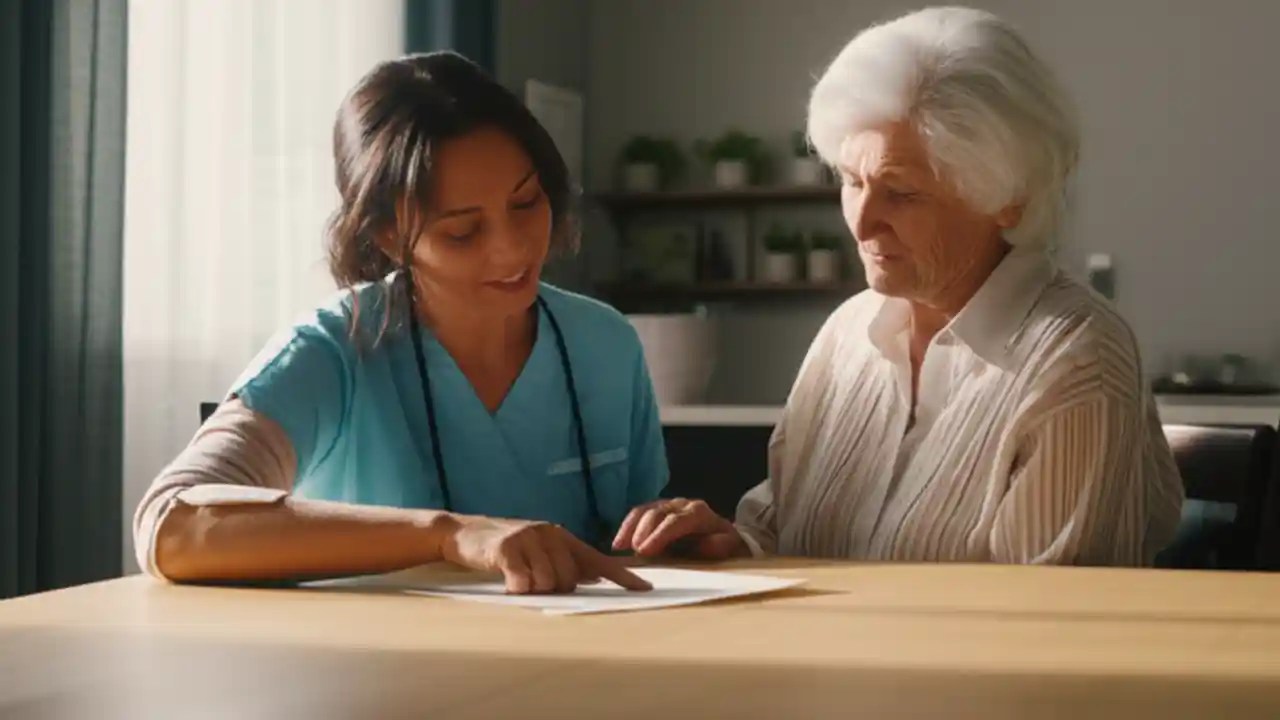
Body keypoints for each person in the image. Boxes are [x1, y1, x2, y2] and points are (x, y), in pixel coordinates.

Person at [615, 7, 1183, 566]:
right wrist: (731, 542)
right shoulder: (847, 332)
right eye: (851, 181)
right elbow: (780, 527)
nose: (861, 223)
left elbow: (1047, 623)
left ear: (1009, 198)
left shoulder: (1079, 360)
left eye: (902, 193)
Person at [133, 52, 667, 594]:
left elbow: (637, 550)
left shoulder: (606, 344)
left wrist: (681, 533)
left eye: (526, 203)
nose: (512, 250)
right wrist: (448, 536)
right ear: (388, 236)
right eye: (462, 232)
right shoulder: (331, 351)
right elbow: (169, 526)